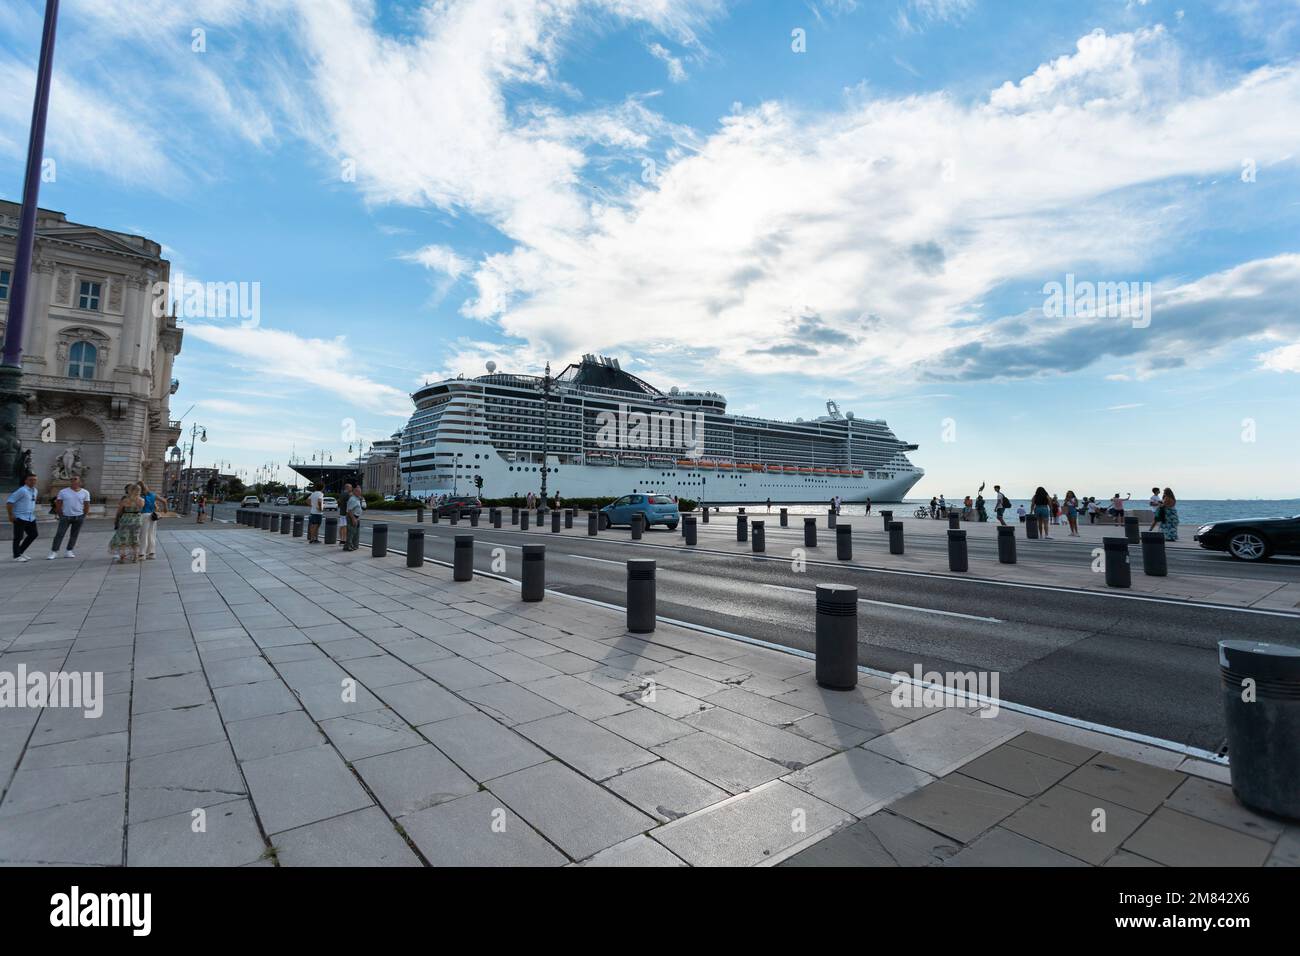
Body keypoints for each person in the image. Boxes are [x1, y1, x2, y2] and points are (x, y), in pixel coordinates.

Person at [48, 474, 90, 559]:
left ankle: (69, 550)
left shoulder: (85, 492)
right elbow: (58, 504)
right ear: (70, 482)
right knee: (60, 534)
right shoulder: (63, 492)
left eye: (75, 479)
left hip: (79, 516)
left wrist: (84, 515)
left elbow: (86, 505)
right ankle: (54, 551)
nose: (74, 481)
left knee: (74, 534)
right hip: (66, 516)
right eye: (72, 479)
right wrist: (60, 514)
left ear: (79, 481)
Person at [7, 473, 40, 562]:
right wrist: (11, 515)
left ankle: (20, 552)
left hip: (30, 517)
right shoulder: (22, 490)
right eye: (31, 479)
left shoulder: (35, 490)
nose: (33, 481)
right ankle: (16, 555)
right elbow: (10, 502)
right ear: (26, 481)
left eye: (35, 480)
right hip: (20, 517)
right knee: (18, 537)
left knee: (33, 534)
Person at [110, 484, 144, 563]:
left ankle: (122, 558)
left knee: (123, 539)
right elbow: (141, 508)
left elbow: (119, 511)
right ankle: (135, 557)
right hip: (137, 519)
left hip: (125, 519)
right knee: (135, 538)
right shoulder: (141, 500)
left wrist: (116, 520)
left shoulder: (125, 500)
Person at [138, 482, 159, 559]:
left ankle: (142, 553)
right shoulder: (152, 496)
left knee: (143, 535)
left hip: (143, 515)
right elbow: (156, 507)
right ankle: (151, 553)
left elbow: (139, 508)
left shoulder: (140, 497)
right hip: (152, 516)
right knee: (151, 534)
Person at [345, 485, 364, 551]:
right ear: (354, 492)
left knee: (355, 533)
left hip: (356, 517)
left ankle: (353, 545)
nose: (360, 493)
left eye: (360, 492)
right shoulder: (352, 499)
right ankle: (348, 546)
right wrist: (353, 519)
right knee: (351, 532)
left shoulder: (357, 498)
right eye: (358, 492)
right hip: (352, 517)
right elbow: (349, 510)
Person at [339, 483, 353, 548]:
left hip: (341, 512)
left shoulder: (342, 493)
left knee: (341, 526)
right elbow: (349, 503)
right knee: (345, 526)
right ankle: (344, 540)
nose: (351, 489)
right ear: (347, 488)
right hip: (345, 512)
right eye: (350, 487)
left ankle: (341, 539)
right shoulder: (347, 494)